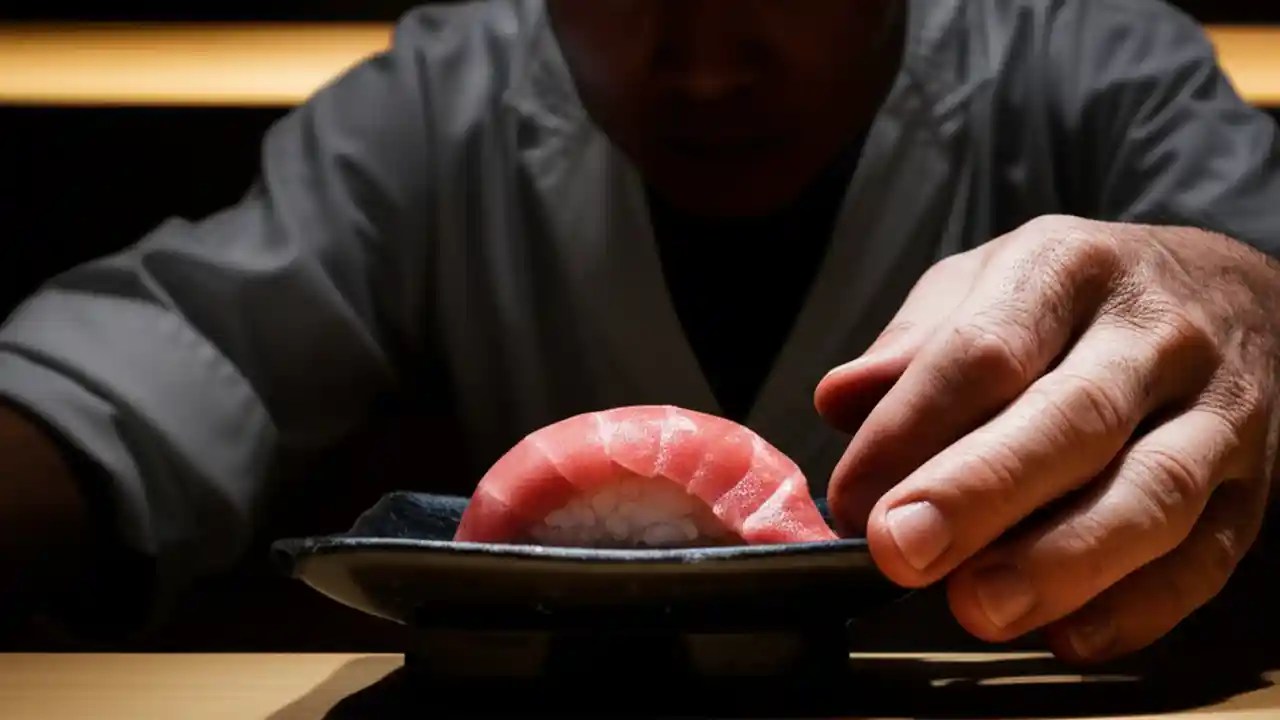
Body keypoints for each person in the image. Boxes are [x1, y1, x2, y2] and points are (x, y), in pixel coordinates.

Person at [1, 0, 1279, 664]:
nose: (703, 64)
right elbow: (159, 358)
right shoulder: (444, 95)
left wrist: (1239, 306)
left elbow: (1250, 270)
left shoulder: (1088, 59)